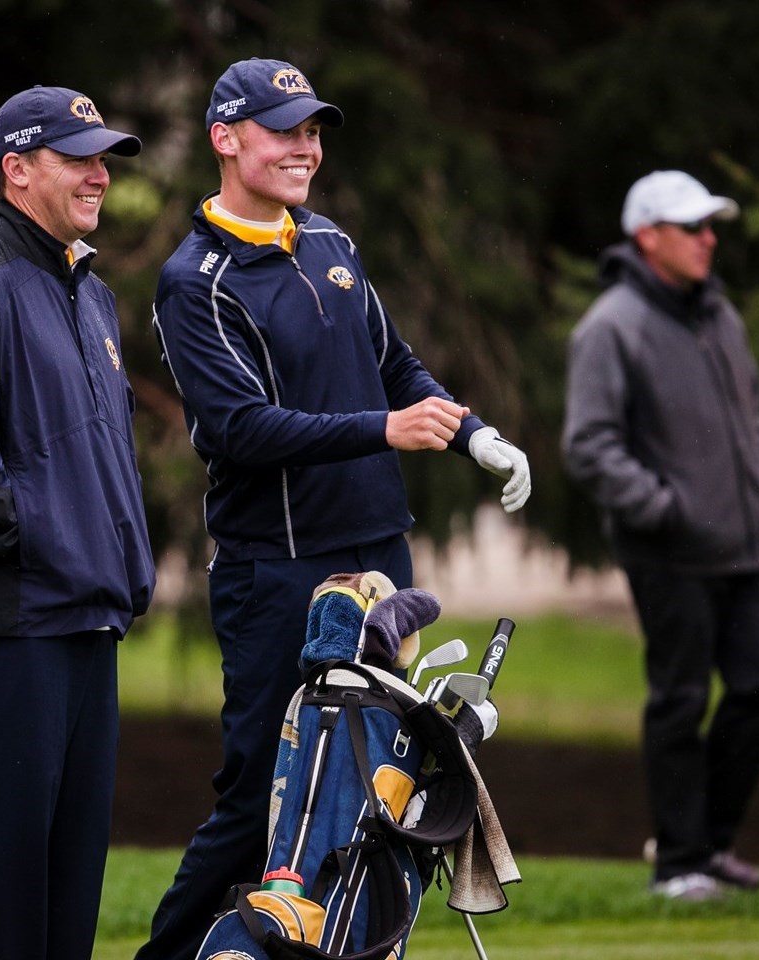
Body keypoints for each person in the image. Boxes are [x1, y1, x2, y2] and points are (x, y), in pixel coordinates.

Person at [137, 58, 531, 959]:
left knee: (379, 780)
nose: (305, 148)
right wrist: (385, 429)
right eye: (284, 130)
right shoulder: (195, 278)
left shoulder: (330, 244)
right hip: (277, 567)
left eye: (313, 131)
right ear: (225, 139)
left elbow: (396, 361)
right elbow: (240, 428)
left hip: (377, 551)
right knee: (257, 799)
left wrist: (471, 433)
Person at [0, 85, 155, 960]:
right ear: (16, 170)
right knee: (8, 877)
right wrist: (38, 545)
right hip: (14, 620)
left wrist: (113, 559)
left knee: (73, 875)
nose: (98, 174)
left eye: (103, 160)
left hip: (90, 615)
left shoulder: (92, 294)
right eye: (77, 157)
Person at [562, 170, 759, 902]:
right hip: (669, 550)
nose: (708, 239)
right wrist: (665, 508)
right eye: (692, 228)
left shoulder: (719, 316)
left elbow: (751, 418)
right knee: (680, 699)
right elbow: (589, 446)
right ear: (648, 237)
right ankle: (680, 866)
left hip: (744, 545)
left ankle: (704, 842)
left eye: (709, 226)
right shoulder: (610, 327)